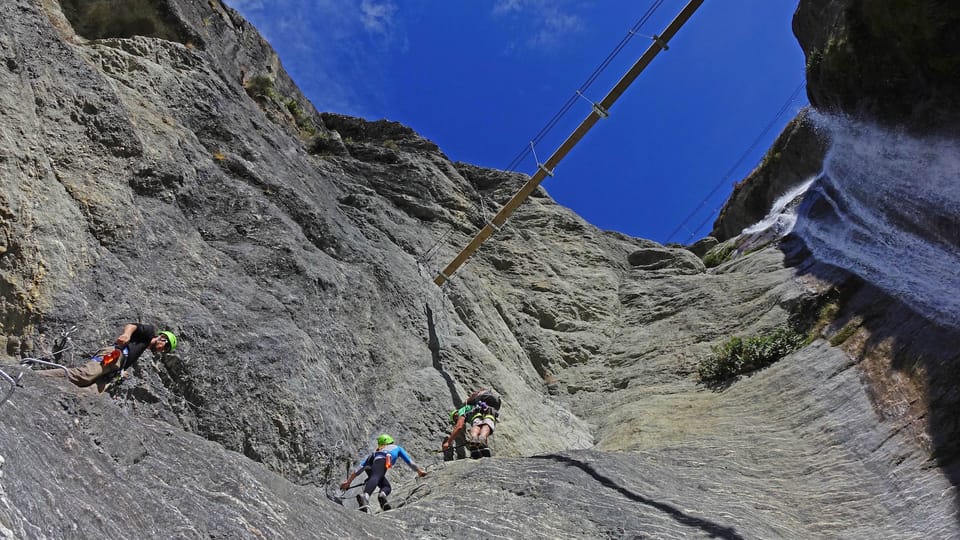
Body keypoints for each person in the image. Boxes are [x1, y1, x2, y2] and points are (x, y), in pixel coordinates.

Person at [39, 323, 177, 390]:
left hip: (116, 365)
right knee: (84, 375)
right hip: (114, 355)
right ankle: (34, 375)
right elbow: (132, 325)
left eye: (165, 351)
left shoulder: (140, 348)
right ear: (162, 338)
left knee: (91, 389)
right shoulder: (149, 333)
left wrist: (122, 372)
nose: (161, 351)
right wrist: (127, 335)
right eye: (165, 347)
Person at [339, 434, 427, 512]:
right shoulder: (397, 448)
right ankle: (365, 497)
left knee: (386, 486)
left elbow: (360, 468)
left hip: (371, 465)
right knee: (376, 476)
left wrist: (348, 482)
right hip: (382, 462)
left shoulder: (375, 452)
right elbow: (410, 462)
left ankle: (382, 496)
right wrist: (419, 471)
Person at [442, 388, 501, 459]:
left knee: (476, 424)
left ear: (455, 414)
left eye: (455, 419)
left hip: (479, 407)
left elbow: (459, 427)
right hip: (491, 405)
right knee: (487, 421)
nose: (457, 420)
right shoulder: (472, 405)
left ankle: (474, 438)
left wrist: (448, 442)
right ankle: (481, 438)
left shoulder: (462, 410)